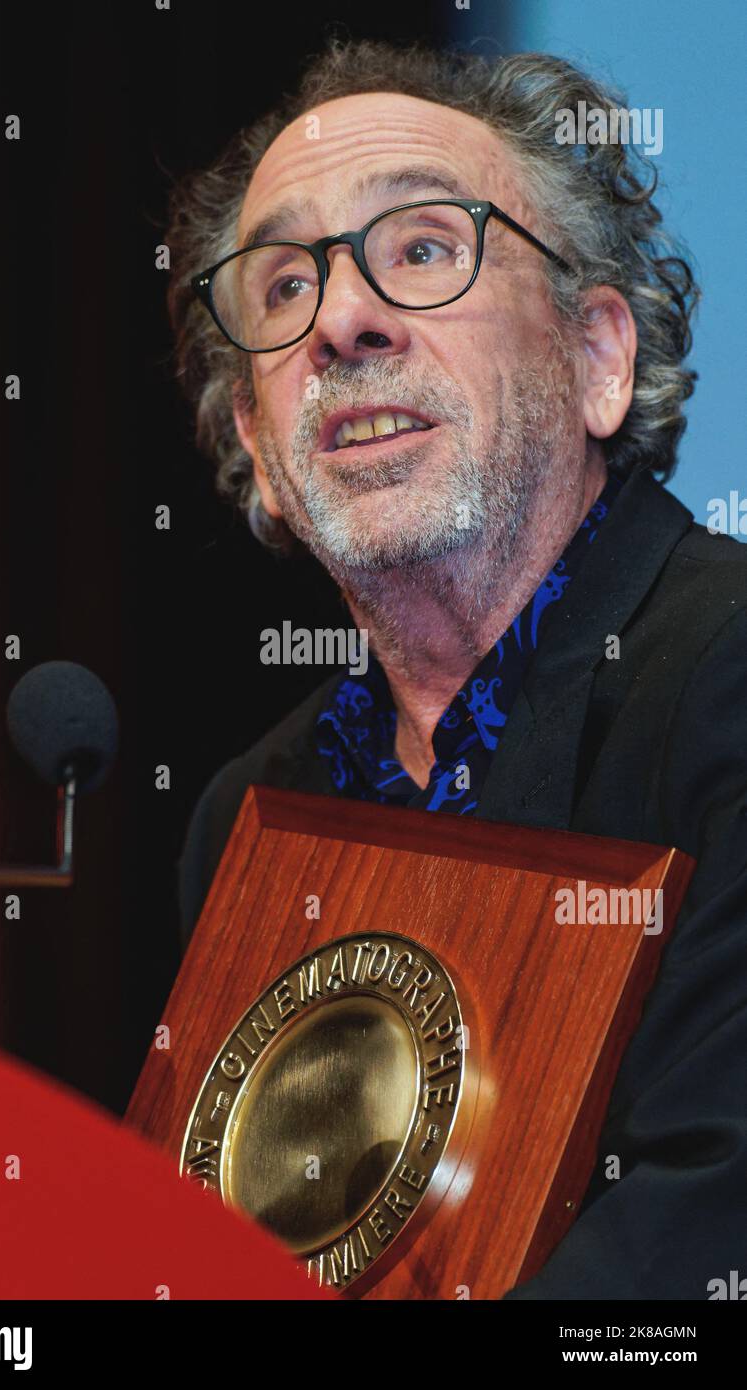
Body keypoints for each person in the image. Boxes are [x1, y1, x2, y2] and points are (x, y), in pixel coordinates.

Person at [169, 38, 747, 1299]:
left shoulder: (726, 680)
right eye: (280, 289)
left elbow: (708, 1227)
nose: (340, 320)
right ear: (260, 450)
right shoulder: (252, 816)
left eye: (423, 249)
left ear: (598, 358)